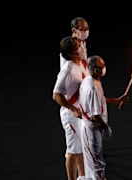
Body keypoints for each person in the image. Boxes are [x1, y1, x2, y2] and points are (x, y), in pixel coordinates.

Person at [78, 55, 127, 180]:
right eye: (101, 67)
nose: (103, 69)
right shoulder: (92, 87)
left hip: (91, 127)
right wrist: (106, 127)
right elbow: (95, 115)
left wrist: (116, 100)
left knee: (91, 162)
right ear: (95, 69)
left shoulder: (90, 80)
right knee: (97, 163)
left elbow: (100, 101)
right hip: (93, 129)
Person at [53, 36, 87, 180]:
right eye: (78, 47)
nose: (82, 48)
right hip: (71, 116)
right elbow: (56, 95)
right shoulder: (67, 71)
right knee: (73, 150)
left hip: (81, 114)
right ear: (72, 53)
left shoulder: (81, 63)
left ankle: (84, 176)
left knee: (81, 147)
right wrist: (72, 109)